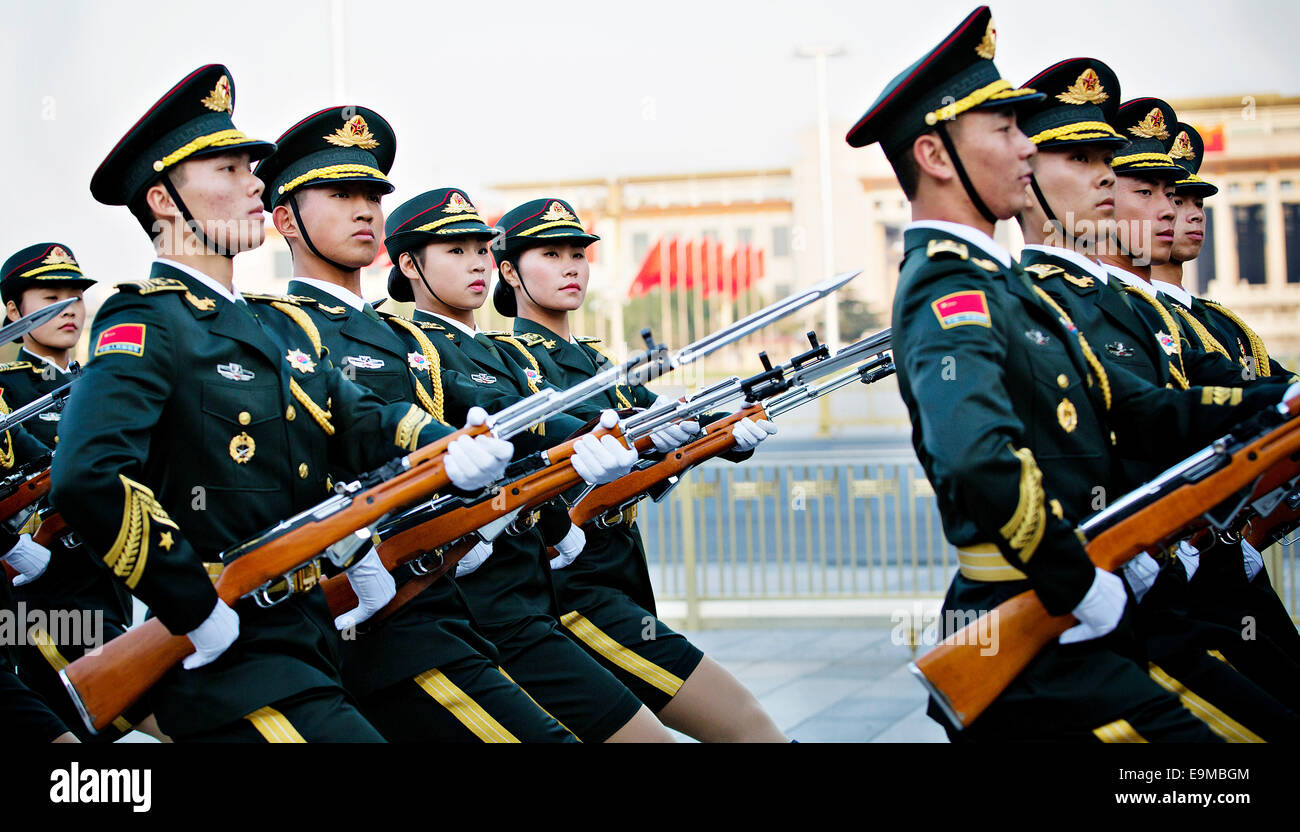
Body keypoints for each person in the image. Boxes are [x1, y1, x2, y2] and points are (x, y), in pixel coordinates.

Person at [845, 5, 1295, 741]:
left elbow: (1137, 410)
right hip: (1033, 619)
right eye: (1004, 129)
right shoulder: (948, 291)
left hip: (1072, 613)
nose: (1025, 148)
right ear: (934, 157)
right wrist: (1082, 583)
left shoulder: (1010, 288)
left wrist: (1277, 399)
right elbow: (976, 460)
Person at [49, 65, 511, 742]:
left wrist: (451, 448)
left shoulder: (277, 326)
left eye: (251, 169)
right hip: (230, 663)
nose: (254, 184)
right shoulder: (146, 321)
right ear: (163, 200)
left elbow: (357, 419)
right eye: (228, 170)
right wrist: (191, 604)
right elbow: (87, 475)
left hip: (307, 640)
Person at [252, 108, 578, 742]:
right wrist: (354, 551)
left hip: (441, 601)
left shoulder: (407, 337)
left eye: (373, 194)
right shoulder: (272, 327)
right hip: (376, 623)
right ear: (285, 219)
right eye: (340, 193)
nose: (364, 210)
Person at [1014, 61, 1300, 739]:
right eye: (1087, 161)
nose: (1173, 212)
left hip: (1189, 577)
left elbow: (1218, 401)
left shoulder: (1138, 309)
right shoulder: (1034, 300)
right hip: (1107, 602)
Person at [384, 187, 680, 742]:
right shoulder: (416, 350)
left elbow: (545, 436)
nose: (475, 261)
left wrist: (686, 434)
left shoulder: (505, 354)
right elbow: (518, 433)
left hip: (541, 583)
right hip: (502, 602)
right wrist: (607, 435)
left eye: (478, 247)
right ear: (408, 264)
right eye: (454, 249)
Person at [487, 196, 788, 741]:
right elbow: (571, 431)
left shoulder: (598, 362)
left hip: (618, 573)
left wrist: (729, 432)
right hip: (572, 590)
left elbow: (672, 417)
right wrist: (639, 427)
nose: (571, 267)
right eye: (551, 255)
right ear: (508, 270)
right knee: (748, 727)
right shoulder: (507, 360)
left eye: (577, 254)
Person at [0, 243, 167, 741]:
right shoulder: (6, 388)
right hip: (47, 598)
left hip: (111, 579)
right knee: (159, 711)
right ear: (14, 310)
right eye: (51, 296)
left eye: (75, 297)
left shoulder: (103, 382)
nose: (68, 309)